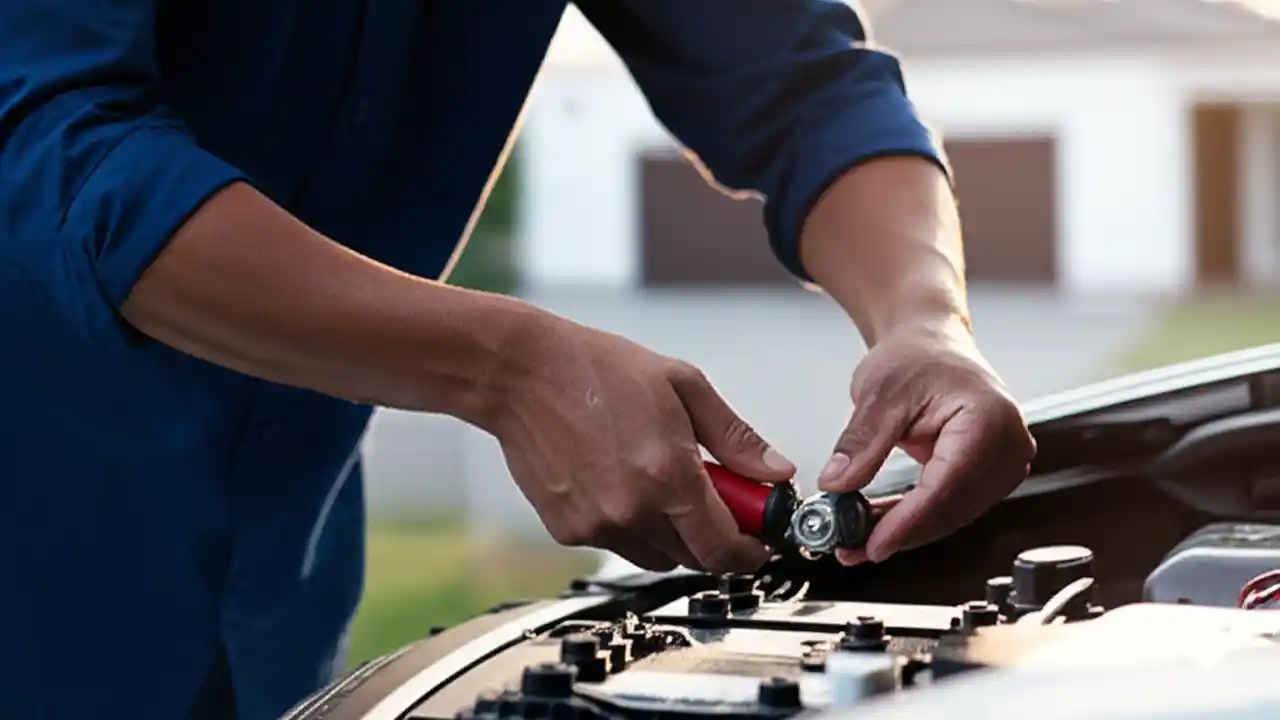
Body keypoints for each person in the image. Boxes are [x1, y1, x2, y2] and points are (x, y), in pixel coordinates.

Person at [0, 2, 1036, 718]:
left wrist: (925, 321)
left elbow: (807, 89)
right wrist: (504, 368)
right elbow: (53, 145)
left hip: (280, 586)